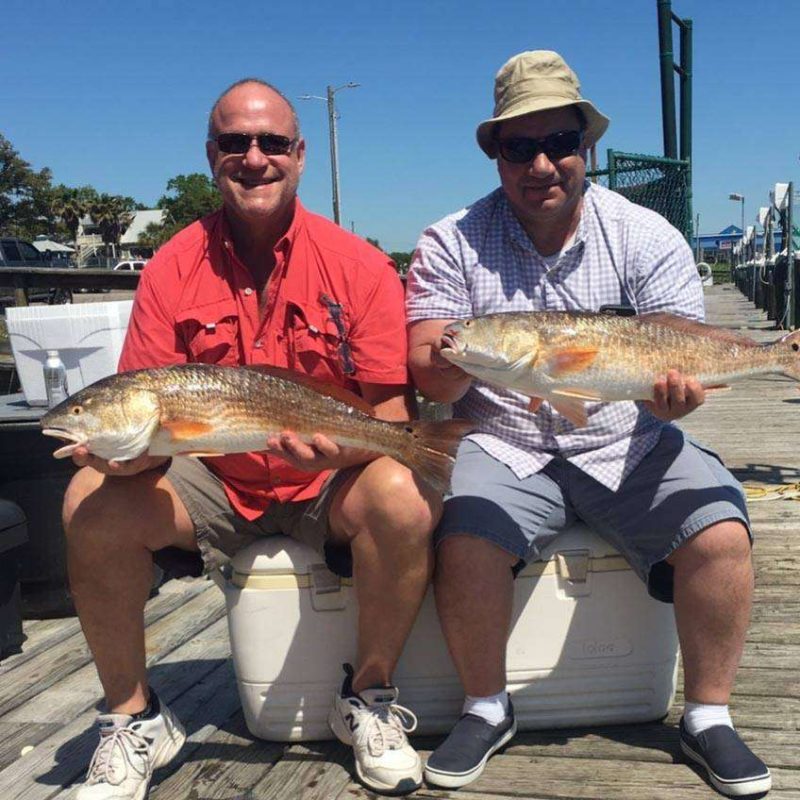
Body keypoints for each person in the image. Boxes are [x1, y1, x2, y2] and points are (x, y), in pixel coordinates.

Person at [406, 50, 771, 797]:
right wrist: (454, 358)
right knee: (467, 533)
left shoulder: (646, 235)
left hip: (627, 436)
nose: (541, 164)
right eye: (519, 147)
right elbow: (426, 364)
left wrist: (677, 396)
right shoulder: (451, 240)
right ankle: (486, 705)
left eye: (560, 143)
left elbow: (682, 346)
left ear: (588, 148)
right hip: (502, 440)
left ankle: (708, 715)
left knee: (721, 532)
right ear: (495, 154)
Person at [63, 78, 438, 799]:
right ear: (212, 156)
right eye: (235, 143)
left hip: (326, 481)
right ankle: (135, 717)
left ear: (300, 155)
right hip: (213, 480)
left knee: (403, 491)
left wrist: (345, 448)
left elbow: (392, 416)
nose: (255, 158)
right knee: (88, 496)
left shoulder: (360, 265)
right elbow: (145, 414)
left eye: (272, 143)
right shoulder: (171, 266)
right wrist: (119, 454)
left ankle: (369, 697)